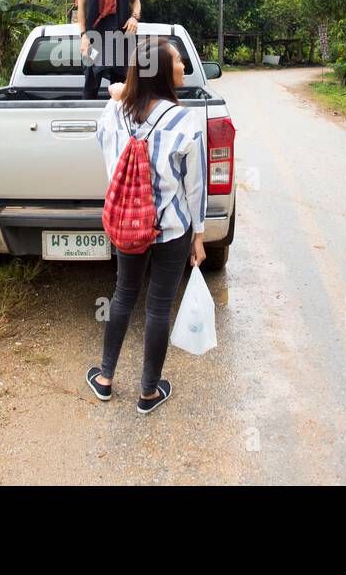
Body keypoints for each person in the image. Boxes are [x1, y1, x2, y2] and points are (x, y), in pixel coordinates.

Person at [86, 37, 207, 414]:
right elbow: (195, 186)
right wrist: (198, 235)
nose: (183, 68)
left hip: (128, 226)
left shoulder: (116, 113)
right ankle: (148, 392)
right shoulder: (186, 120)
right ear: (161, 73)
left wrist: (117, 94)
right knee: (158, 307)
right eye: (178, 62)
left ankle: (105, 379)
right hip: (171, 229)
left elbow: (106, 152)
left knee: (123, 295)